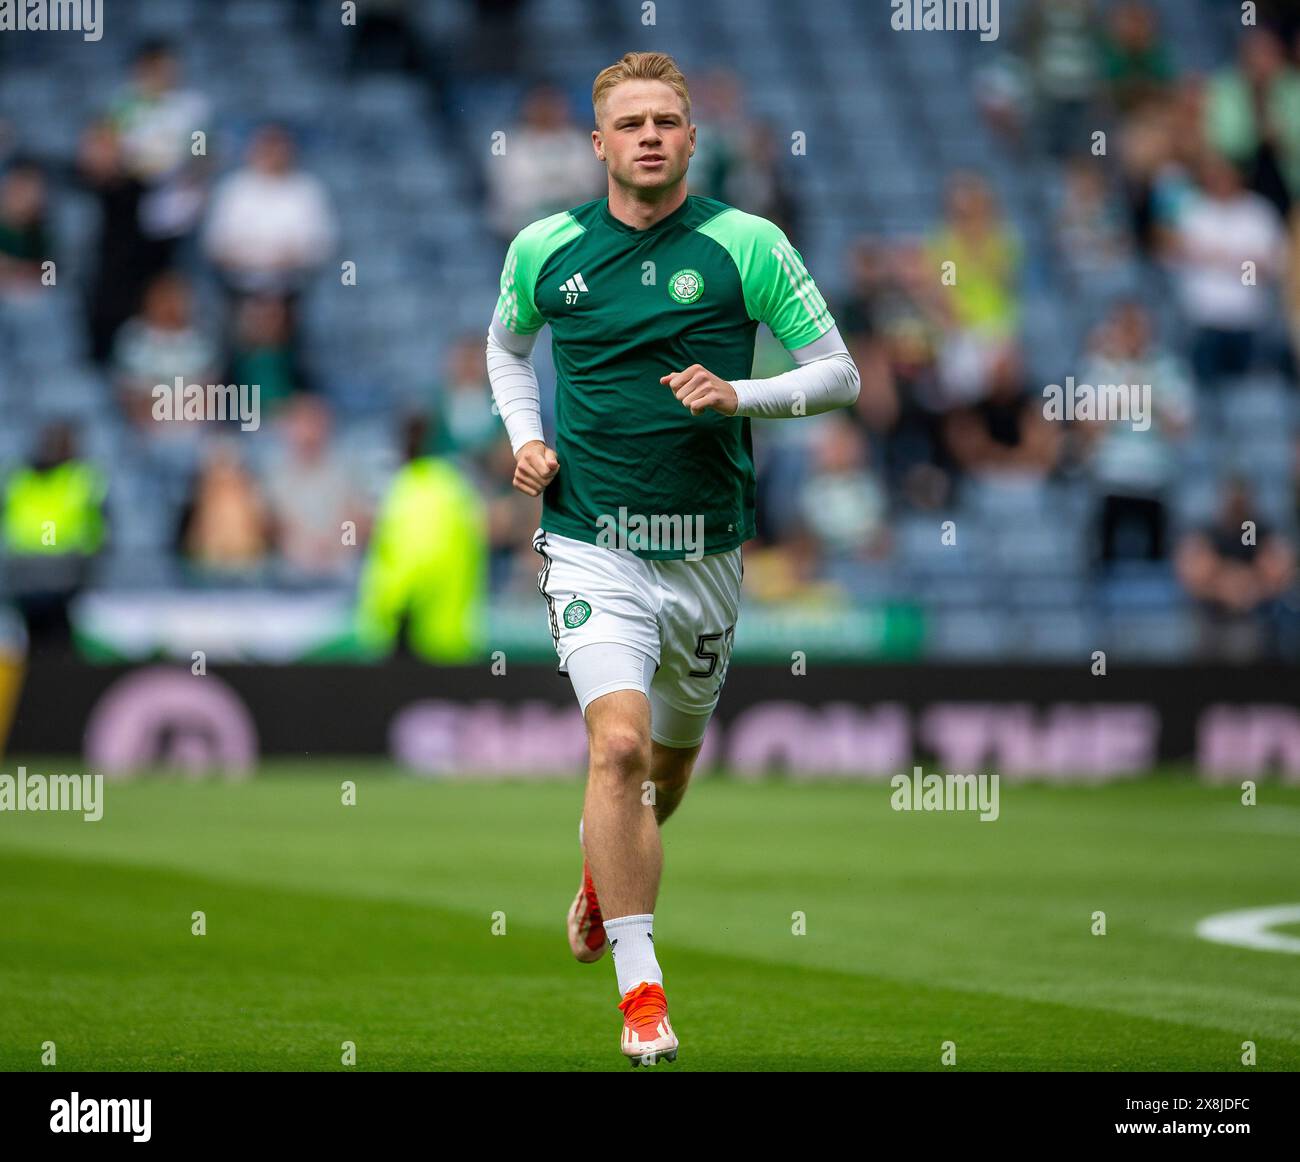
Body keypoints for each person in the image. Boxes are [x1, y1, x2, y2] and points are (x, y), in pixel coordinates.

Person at [484, 51, 860, 1066]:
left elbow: (838, 373)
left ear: (692, 139)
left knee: (662, 773)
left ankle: (603, 880)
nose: (649, 136)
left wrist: (741, 394)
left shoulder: (748, 243)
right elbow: (506, 351)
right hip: (588, 542)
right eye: (631, 123)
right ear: (598, 143)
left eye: (666, 121)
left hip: (705, 555)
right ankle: (641, 995)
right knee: (614, 749)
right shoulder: (543, 249)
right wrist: (525, 436)